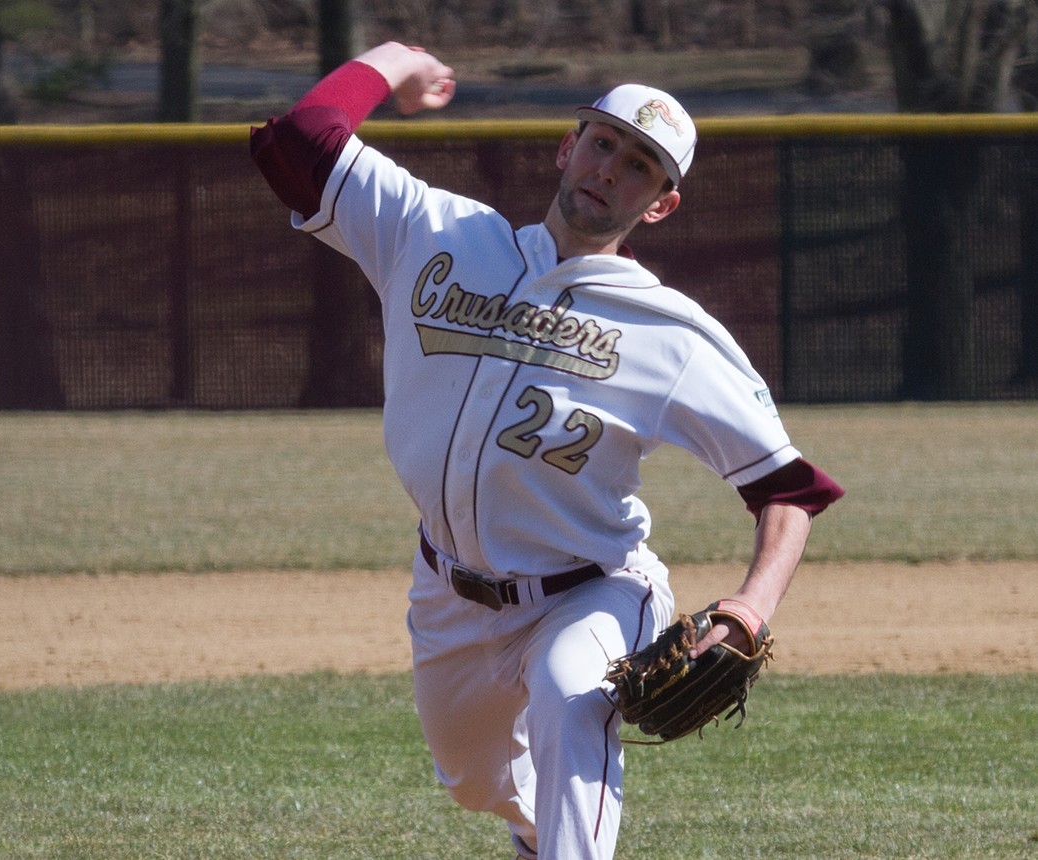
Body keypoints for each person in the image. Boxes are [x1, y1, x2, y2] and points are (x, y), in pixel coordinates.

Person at [250, 41, 844, 860]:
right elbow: (299, 139)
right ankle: (534, 836)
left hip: (591, 589)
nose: (611, 169)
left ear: (661, 204)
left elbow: (790, 488)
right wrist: (399, 60)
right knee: (473, 784)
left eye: (640, 165)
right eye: (603, 143)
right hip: (448, 590)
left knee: (575, 699)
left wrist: (750, 608)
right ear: (569, 147)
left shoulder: (673, 334)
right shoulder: (438, 233)